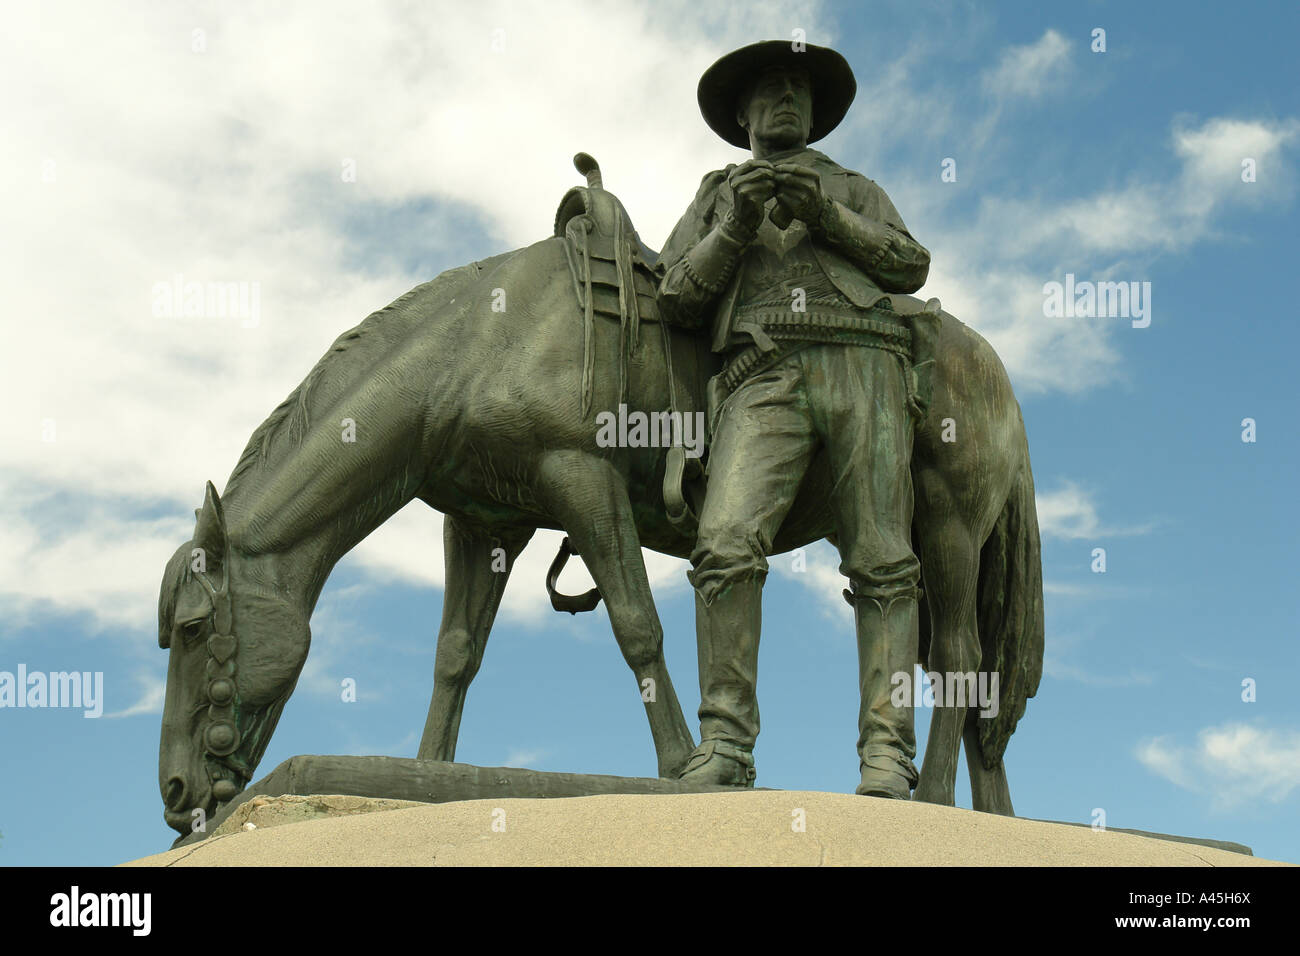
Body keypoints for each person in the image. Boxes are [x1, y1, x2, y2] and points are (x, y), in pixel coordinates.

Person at [656, 39, 932, 798]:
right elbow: (676, 296)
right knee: (723, 543)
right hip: (762, 370)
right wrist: (734, 227)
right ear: (742, 113)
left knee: (884, 559)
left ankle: (888, 754)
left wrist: (830, 218)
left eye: (798, 89)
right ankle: (725, 745)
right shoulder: (717, 192)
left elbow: (910, 265)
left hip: (865, 361)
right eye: (770, 90)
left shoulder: (854, 186)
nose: (787, 98)